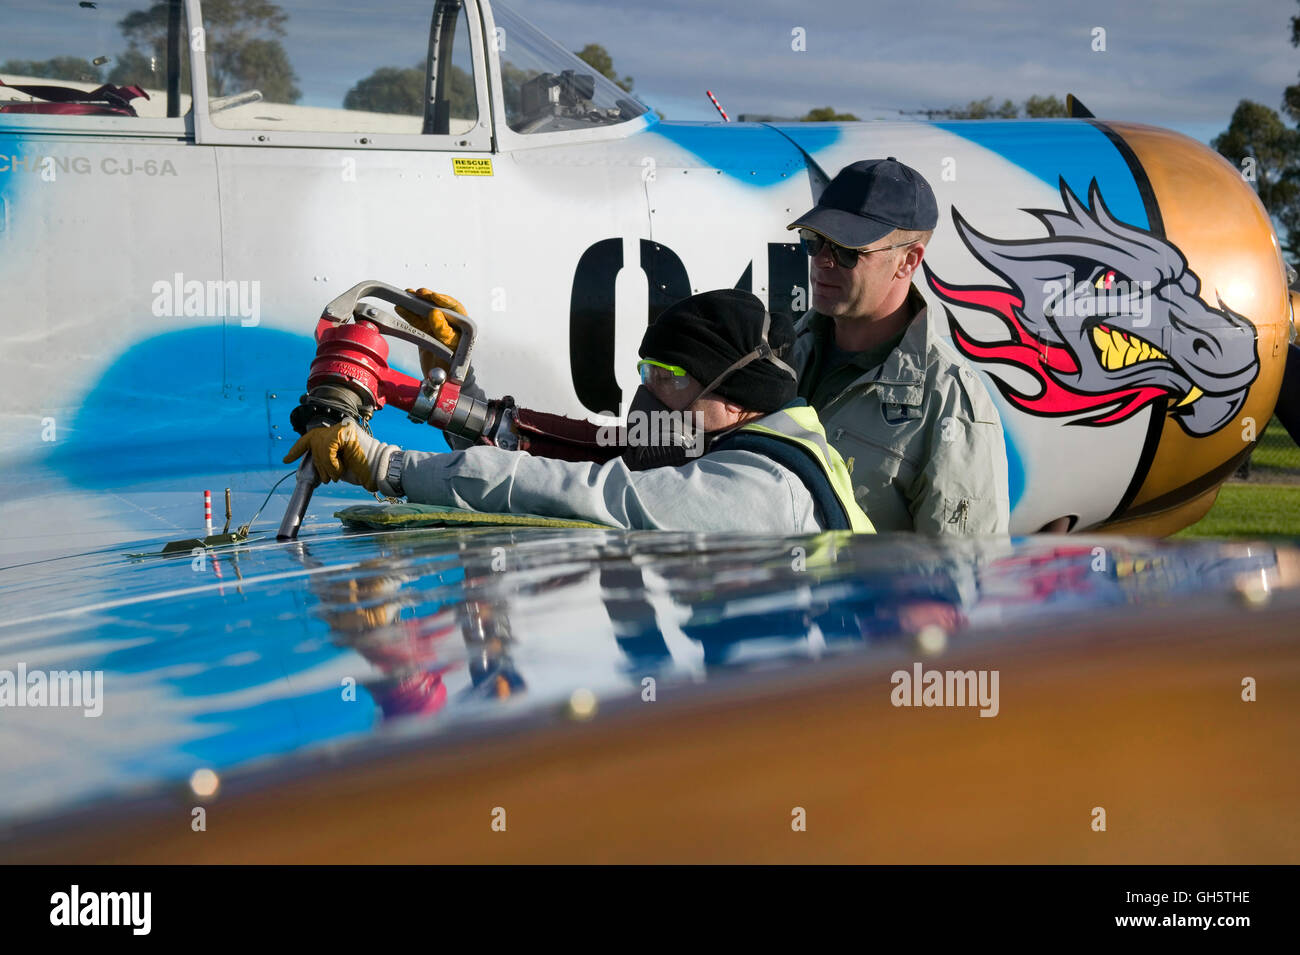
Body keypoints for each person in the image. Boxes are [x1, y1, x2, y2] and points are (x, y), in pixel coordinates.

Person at [285, 289, 874, 534]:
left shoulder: (756, 485)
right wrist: (453, 384)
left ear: (732, 390)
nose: (645, 390)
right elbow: (576, 448)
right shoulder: (751, 443)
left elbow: (571, 488)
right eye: (644, 369)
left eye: (664, 376)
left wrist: (384, 465)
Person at [787, 157, 1010, 535]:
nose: (823, 261)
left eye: (846, 251)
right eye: (815, 241)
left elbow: (959, 574)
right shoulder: (780, 355)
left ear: (908, 261)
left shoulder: (948, 402)